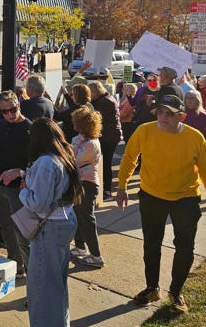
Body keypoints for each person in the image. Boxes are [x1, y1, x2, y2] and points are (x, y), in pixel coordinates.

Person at [117, 94, 206, 314]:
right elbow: (129, 158)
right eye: (160, 112)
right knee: (151, 244)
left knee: (185, 248)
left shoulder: (196, 138)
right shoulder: (144, 131)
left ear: (181, 116)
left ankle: (175, 292)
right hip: (152, 196)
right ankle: (152, 288)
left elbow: (205, 170)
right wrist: (121, 186)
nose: (163, 117)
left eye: (169, 113)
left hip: (186, 198)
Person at [19, 118, 83, 326]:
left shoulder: (47, 162)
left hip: (50, 228)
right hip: (65, 220)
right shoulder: (66, 154)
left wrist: (23, 192)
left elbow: (39, 204)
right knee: (56, 283)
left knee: (42, 287)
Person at [0, 90, 32, 275]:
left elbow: (38, 161)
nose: (9, 114)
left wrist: (22, 174)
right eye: (4, 112)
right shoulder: (0, 126)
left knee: (22, 231)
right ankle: (16, 263)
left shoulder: (30, 129)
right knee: (5, 224)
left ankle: (32, 271)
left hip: (18, 189)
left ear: (19, 105)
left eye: (12, 109)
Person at [70, 107, 104, 268]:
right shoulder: (82, 139)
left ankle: (96, 256)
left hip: (88, 184)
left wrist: (70, 147)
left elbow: (73, 158)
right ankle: (79, 247)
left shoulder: (91, 144)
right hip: (80, 183)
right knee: (78, 216)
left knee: (87, 220)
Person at [89, 81, 122, 201]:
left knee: (106, 163)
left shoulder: (103, 102)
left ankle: (107, 191)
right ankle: (106, 190)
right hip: (111, 135)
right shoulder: (107, 99)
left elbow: (96, 117)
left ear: (95, 91)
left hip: (108, 136)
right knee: (106, 163)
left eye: (90, 92)